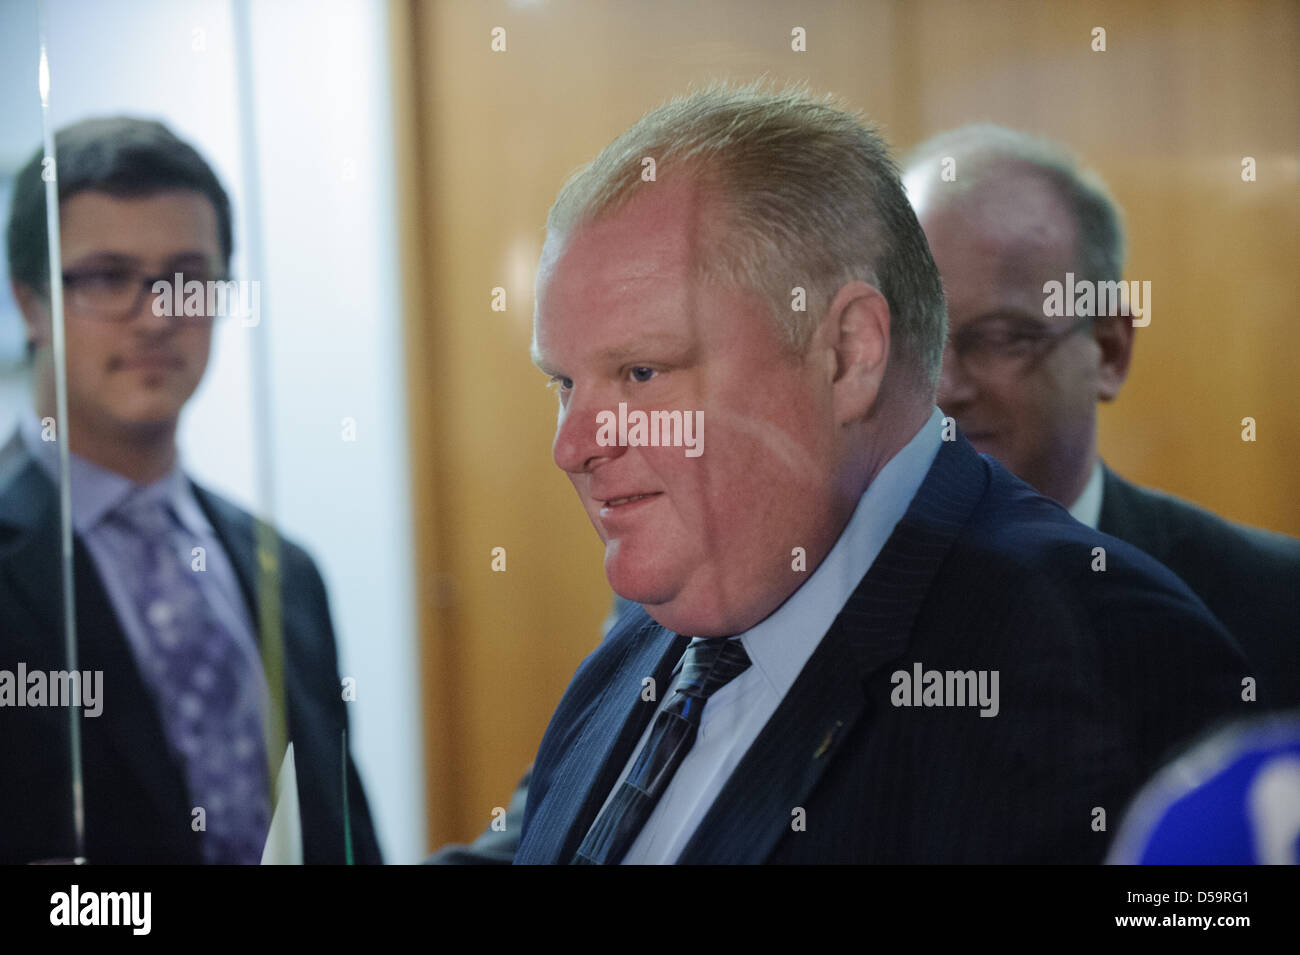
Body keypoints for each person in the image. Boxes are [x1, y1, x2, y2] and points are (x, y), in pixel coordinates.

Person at [513, 84, 1252, 864]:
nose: (574, 445)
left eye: (641, 372)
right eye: (563, 383)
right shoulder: (632, 653)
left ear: (848, 355)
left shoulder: (1093, 654)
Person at [0, 117, 381, 864]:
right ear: (31, 305)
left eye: (187, 278)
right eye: (107, 278)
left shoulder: (286, 571)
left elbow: (343, 836)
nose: (156, 316)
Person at [903, 124, 1300, 710]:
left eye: (1002, 339)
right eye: (916, 337)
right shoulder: (815, 599)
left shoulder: (1272, 605)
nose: (945, 387)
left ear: (1109, 349)